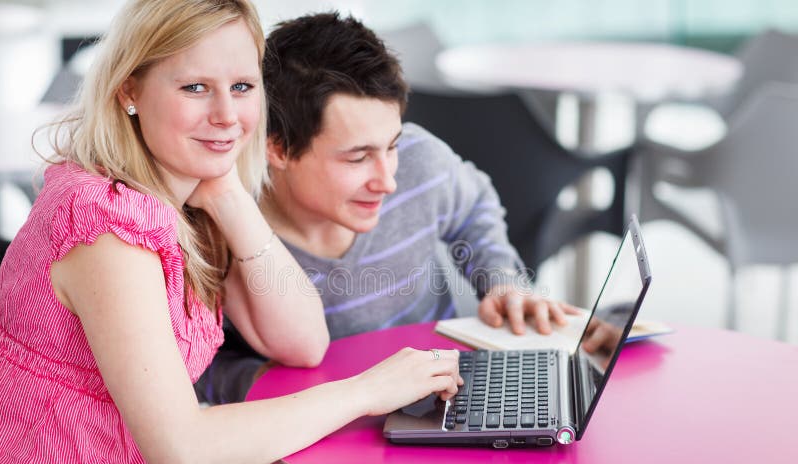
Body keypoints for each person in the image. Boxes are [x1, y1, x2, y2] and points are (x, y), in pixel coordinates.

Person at [0, 1, 461, 464]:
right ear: (129, 90)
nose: (226, 115)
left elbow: (302, 340)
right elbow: (186, 453)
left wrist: (229, 196)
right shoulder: (104, 227)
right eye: (195, 87)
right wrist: (368, 392)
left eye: (242, 87)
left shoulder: (186, 194)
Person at [200, 11, 578, 405]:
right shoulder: (225, 230)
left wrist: (501, 280)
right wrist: (271, 387)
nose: (389, 181)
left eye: (391, 145)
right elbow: (200, 368)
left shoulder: (420, 162)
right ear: (277, 148)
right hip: (318, 441)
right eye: (357, 157)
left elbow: (474, 208)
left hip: (447, 404)